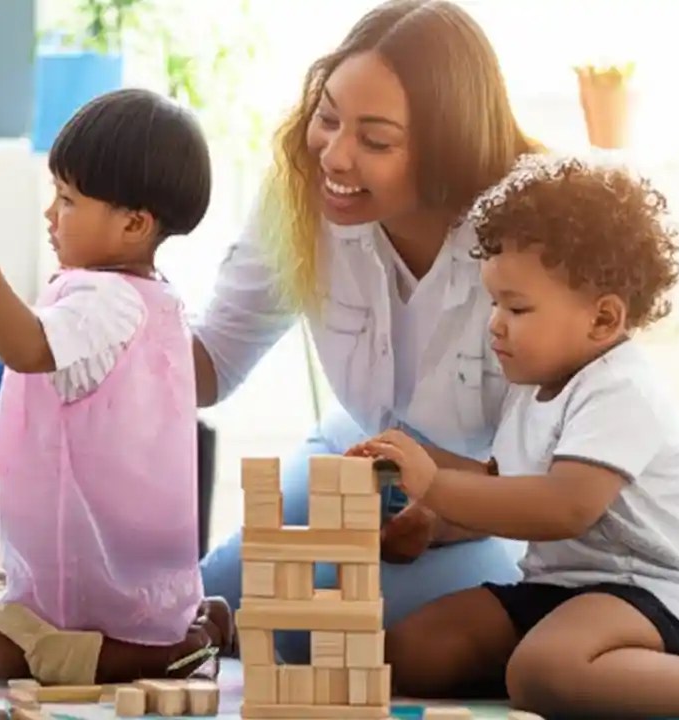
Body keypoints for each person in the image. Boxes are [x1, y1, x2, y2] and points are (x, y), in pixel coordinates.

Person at [360, 154, 679, 717]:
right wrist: (430, 524)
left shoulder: (622, 389)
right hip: (563, 590)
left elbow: (562, 506)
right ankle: (592, 672)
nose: (495, 323)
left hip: (655, 594)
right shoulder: (532, 383)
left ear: (602, 320)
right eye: (494, 302)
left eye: (517, 307)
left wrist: (434, 483)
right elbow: (501, 487)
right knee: (412, 651)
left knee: (543, 672)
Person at [193, 0, 536, 661]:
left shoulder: (535, 227)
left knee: (307, 634)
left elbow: (553, 472)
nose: (335, 156)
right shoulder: (303, 189)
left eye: (375, 141)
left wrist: (446, 515)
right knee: (205, 605)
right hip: (359, 457)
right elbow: (212, 359)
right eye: (327, 118)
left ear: (449, 147)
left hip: (497, 503)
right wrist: (101, 330)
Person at [0, 88, 232, 685]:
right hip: (123, 552)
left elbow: (28, 348)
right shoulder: (143, 295)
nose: (50, 214)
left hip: (93, 563)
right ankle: (189, 625)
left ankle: (168, 653)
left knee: (7, 654)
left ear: (134, 223)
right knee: (8, 633)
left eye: (67, 199)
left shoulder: (102, 300)